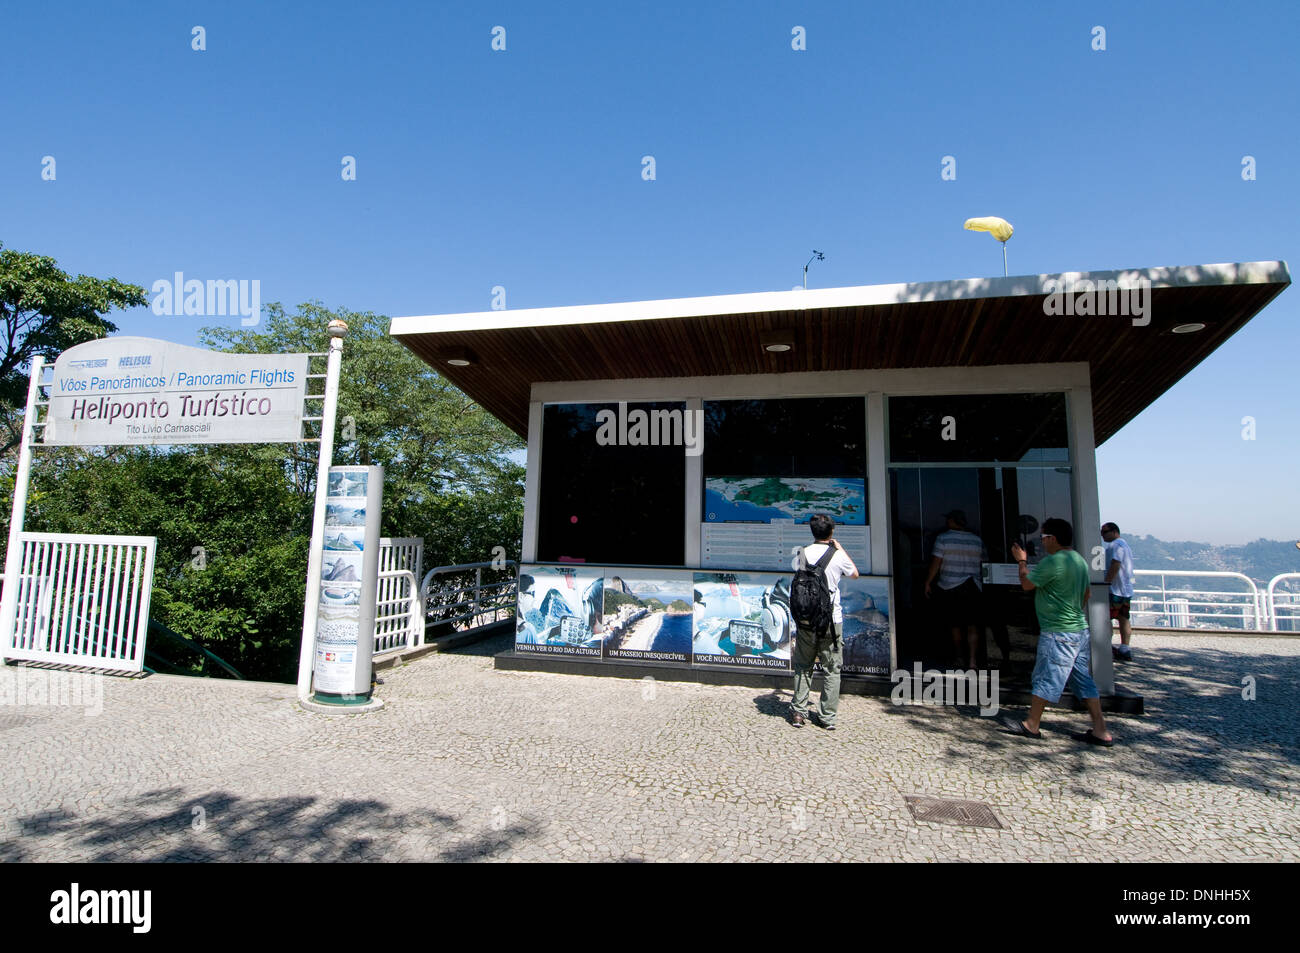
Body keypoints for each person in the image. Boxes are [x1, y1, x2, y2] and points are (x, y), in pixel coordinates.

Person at [1006, 518, 1113, 745]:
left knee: (1046, 676)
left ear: (1053, 538)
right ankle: (1100, 730)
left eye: (1043, 537)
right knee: (1083, 680)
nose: (1042, 542)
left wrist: (1021, 562)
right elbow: (1087, 596)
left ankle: (1031, 725)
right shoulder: (1079, 561)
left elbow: (1027, 584)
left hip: (1058, 631)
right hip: (1079, 629)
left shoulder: (1053, 562)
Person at [789, 514, 859, 730]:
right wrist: (839, 547)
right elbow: (854, 574)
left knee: (803, 665)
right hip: (831, 620)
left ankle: (799, 713)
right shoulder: (837, 555)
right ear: (832, 532)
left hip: (806, 620)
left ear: (812, 532)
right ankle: (827, 717)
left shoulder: (802, 554)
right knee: (831, 668)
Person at [925, 510, 987, 669]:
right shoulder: (976, 540)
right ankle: (973, 661)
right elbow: (984, 563)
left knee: (955, 625)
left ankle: (959, 657)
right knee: (973, 625)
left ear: (952, 521)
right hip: (973, 585)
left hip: (951, 585)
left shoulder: (943, 538)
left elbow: (936, 563)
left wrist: (928, 582)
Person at [1102, 522, 1135, 662]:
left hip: (1114, 589)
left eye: (1105, 532)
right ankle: (1125, 647)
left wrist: (1106, 582)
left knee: (1105, 619)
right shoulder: (1125, 545)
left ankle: (1105, 647)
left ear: (1114, 531)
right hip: (1126, 590)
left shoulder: (1116, 546)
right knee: (1124, 618)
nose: (1102, 535)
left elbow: (1115, 564)